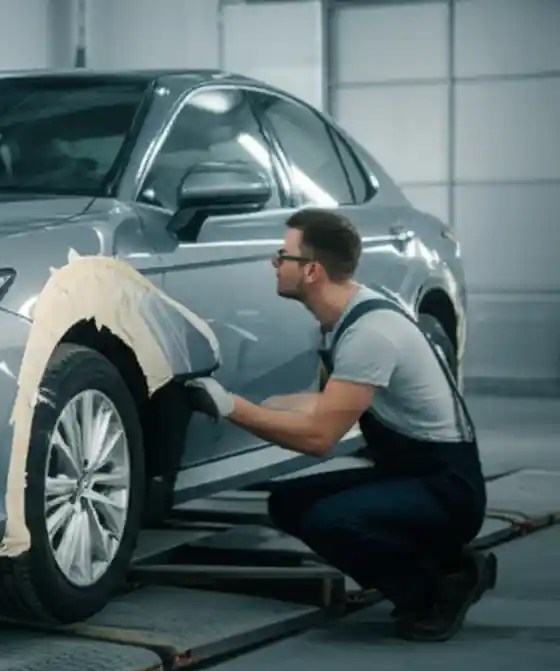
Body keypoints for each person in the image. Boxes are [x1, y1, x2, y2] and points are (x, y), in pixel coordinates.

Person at [183, 208, 495, 642]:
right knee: (287, 504)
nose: (275, 264)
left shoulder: (369, 334)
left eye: (282, 256)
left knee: (331, 521)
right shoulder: (343, 318)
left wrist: (233, 408)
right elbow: (328, 404)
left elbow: (319, 438)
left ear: (311, 270)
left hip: (447, 487)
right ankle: (434, 560)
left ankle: (439, 585)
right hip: (412, 473)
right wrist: (262, 405)